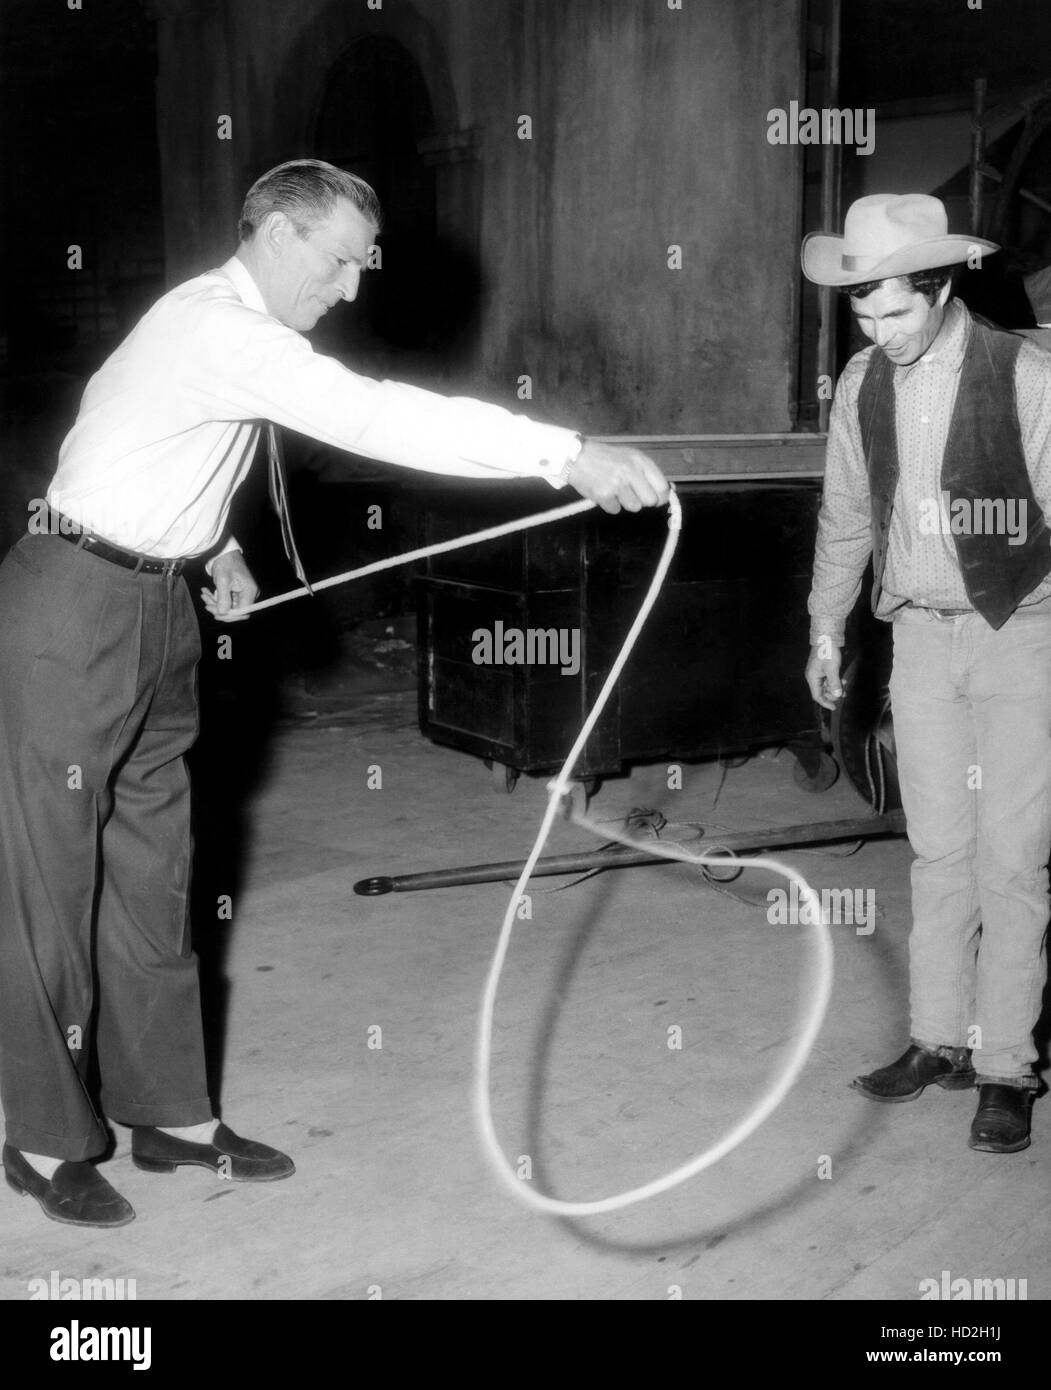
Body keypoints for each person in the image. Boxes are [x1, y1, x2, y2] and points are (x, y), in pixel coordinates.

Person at [0, 158, 669, 1227]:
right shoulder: (221, 328)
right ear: (272, 230)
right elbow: (378, 416)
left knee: (155, 868)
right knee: (43, 882)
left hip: (156, 602)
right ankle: (40, 1134)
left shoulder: (213, 331)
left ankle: (167, 1111)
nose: (352, 288)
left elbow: (123, 425)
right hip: (70, 607)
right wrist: (567, 453)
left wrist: (209, 542)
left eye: (365, 263)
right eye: (340, 260)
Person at [803, 192, 1051, 1154]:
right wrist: (825, 627)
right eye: (863, 315)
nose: (879, 332)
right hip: (917, 639)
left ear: (942, 288)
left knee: (1011, 862)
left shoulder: (1024, 377)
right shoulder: (863, 383)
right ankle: (937, 1041)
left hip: (1020, 633)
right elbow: (845, 519)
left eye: (896, 312)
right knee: (938, 854)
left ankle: (1005, 1070)